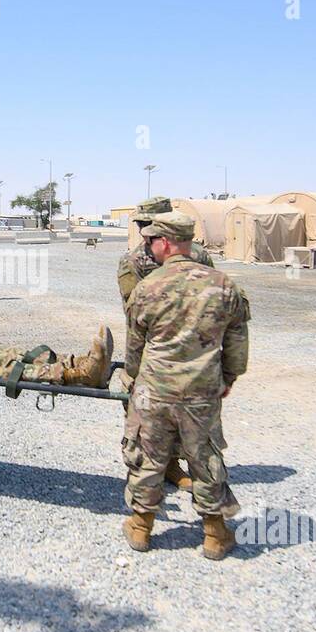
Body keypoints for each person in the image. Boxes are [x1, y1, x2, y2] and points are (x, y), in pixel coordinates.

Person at [121, 211, 250, 560]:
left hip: (155, 391)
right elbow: (237, 341)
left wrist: (134, 380)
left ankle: (141, 528)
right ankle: (214, 534)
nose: (148, 248)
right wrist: (229, 378)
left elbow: (135, 348)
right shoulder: (223, 284)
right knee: (205, 458)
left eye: (151, 241)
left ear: (164, 243)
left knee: (149, 457)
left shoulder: (148, 287)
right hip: (201, 391)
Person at [116, 196, 218, 492]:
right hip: (155, 349)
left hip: (192, 349)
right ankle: (156, 468)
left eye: (148, 224)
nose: (145, 230)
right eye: (143, 224)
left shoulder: (197, 255)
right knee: (145, 411)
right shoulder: (133, 262)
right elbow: (134, 315)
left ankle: (191, 465)